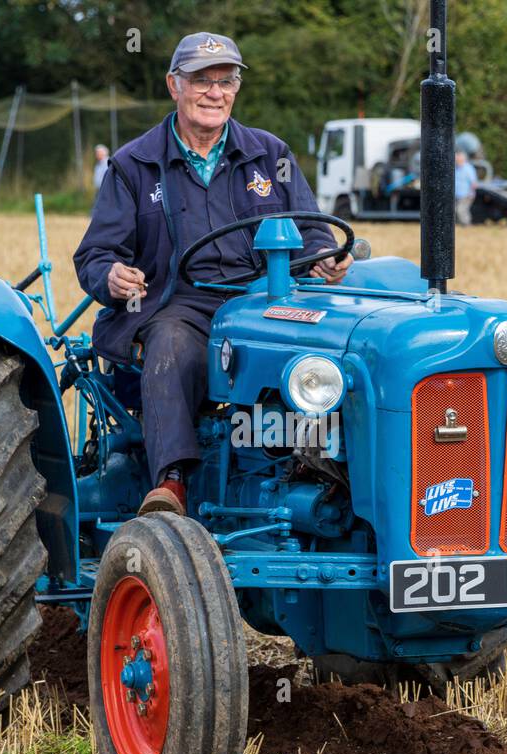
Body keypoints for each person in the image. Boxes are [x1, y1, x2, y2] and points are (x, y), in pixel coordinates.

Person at [74, 32, 351, 517]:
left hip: (266, 300)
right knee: (171, 343)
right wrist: (113, 276)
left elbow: (311, 232)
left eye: (225, 81)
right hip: (176, 302)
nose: (214, 93)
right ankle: (171, 482)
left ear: (236, 89)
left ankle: (326, 476)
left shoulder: (270, 155)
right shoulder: (134, 164)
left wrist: (326, 255)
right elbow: (95, 255)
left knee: (341, 344)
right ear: (173, 85)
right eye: (201, 81)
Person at [454, 149, 477, 226]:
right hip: (458, 195)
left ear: (463, 159)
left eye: (458, 159)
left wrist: (470, 193)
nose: (456, 160)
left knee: (461, 210)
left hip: (467, 195)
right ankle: (461, 225)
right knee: (457, 210)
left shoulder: (468, 168)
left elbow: (474, 183)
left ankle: (466, 224)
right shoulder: (456, 168)